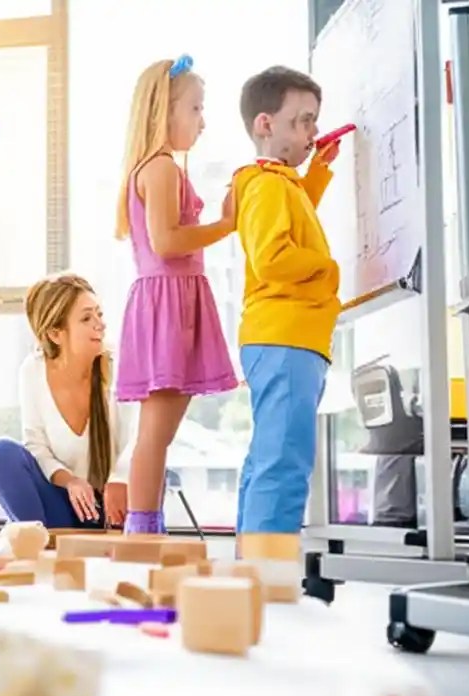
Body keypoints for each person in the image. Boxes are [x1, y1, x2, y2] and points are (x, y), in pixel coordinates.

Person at [115, 55, 239, 536]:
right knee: (156, 435)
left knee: (157, 434)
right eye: (195, 108)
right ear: (162, 111)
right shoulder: (162, 168)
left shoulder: (156, 168)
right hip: (167, 304)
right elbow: (167, 243)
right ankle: (143, 528)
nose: (202, 121)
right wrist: (225, 225)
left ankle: (147, 524)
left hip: (169, 302)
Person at [230, 66, 343, 541]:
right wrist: (328, 269)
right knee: (283, 464)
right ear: (265, 125)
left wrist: (316, 174)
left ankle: (252, 572)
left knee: (270, 459)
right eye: (302, 121)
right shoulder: (268, 184)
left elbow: (293, 220)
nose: (311, 133)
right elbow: (273, 257)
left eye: (314, 122)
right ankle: (265, 580)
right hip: (287, 337)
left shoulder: (279, 184)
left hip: (285, 338)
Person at [0, 273, 135, 528]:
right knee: (0, 454)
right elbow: (36, 446)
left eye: (99, 314)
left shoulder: (118, 364)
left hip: (112, 508)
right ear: (56, 334)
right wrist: (71, 481)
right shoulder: (33, 370)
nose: (99, 324)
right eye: (87, 318)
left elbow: (138, 439)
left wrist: (120, 479)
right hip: (62, 506)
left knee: (153, 469)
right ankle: (36, 544)